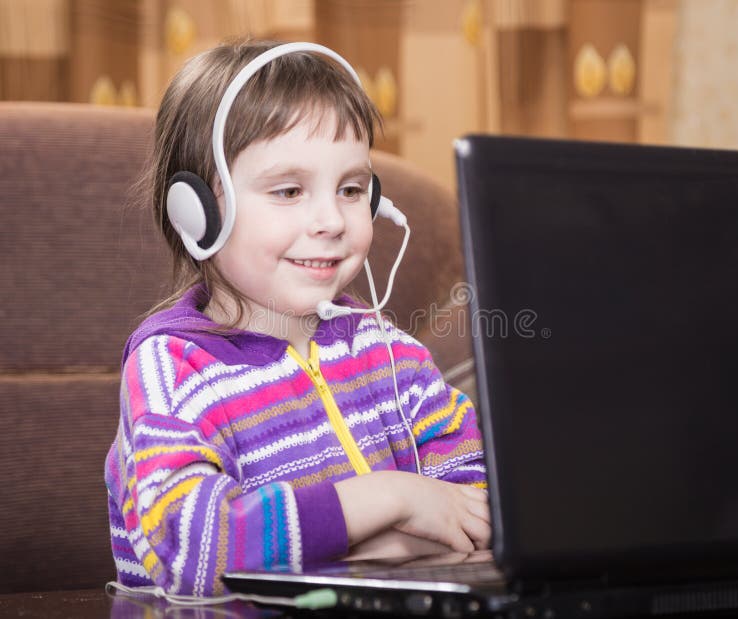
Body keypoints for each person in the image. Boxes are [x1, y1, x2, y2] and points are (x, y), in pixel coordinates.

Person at [104, 39, 488, 598]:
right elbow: (195, 548)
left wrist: (345, 553)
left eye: (352, 189)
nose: (332, 219)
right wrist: (393, 498)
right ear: (199, 212)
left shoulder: (394, 357)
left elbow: (475, 515)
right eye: (289, 190)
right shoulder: (171, 370)